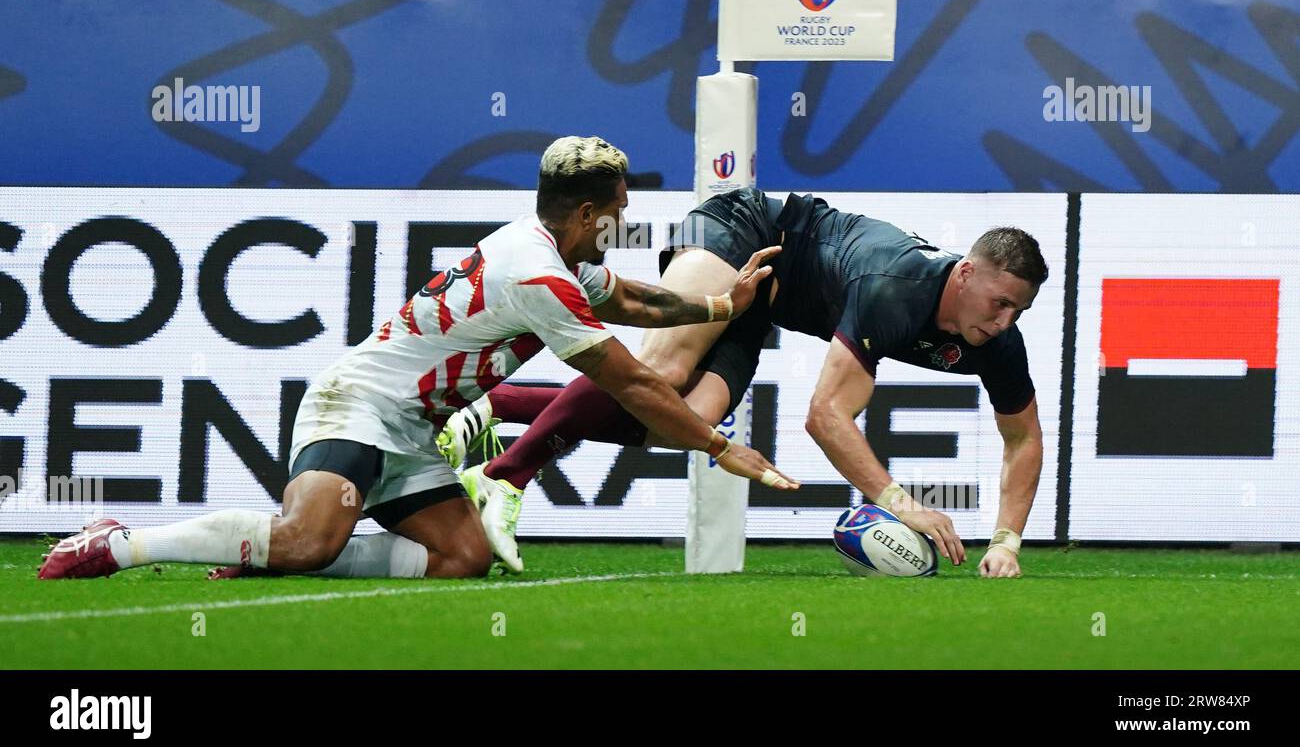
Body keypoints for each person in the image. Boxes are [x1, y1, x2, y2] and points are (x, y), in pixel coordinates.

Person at [38, 137, 796, 582]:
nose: (623, 224)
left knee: (463, 556)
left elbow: (632, 300)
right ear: (591, 214)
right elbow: (629, 378)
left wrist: (721, 306)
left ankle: (270, 552)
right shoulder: (536, 275)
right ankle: (120, 542)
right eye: (619, 212)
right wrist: (719, 445)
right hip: (360, 405)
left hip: (411, 428)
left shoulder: (551, 255)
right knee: (309, 538)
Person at [446, 187, 1047, 578]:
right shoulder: (897, 289)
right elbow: (825, 415)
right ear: (965, 274)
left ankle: (488, 407)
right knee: (663, 373)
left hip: (766, 304)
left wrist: (1006, 541)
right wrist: (901, 504)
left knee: (684, 424)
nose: (1003, 321)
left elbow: (1024, 439)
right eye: (999, 303)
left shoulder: (996, 342)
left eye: (1017, 311)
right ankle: (505, 477)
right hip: (748, 232)